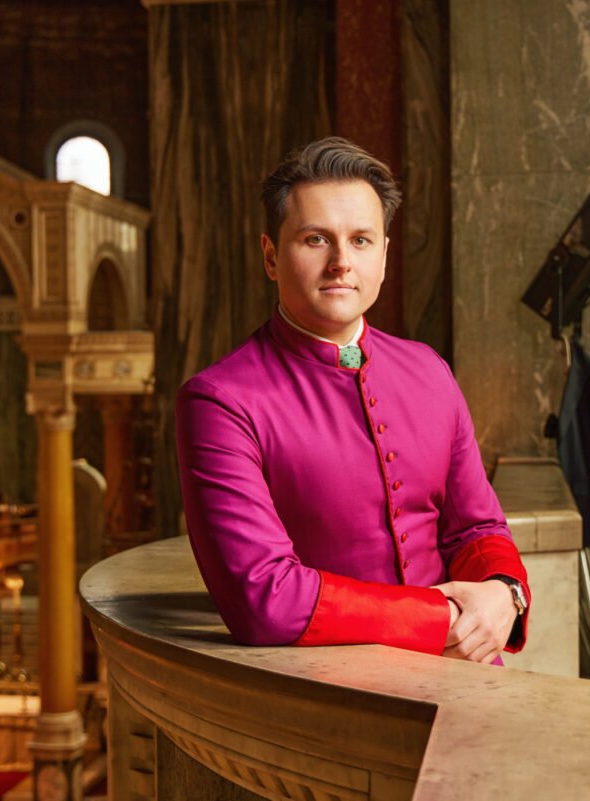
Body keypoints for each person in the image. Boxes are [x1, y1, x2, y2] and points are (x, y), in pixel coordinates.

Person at [175, 137, 530, 663]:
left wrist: (505, 591)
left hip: (474, 675)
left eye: (361, 240)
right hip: (333, 690)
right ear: (271, 256)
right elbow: (264, 597)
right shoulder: (220, 402)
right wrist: (443, 617)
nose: (341, 262)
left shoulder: (429, 370)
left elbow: (477, 528)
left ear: (384, 256)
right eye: (316, 239)